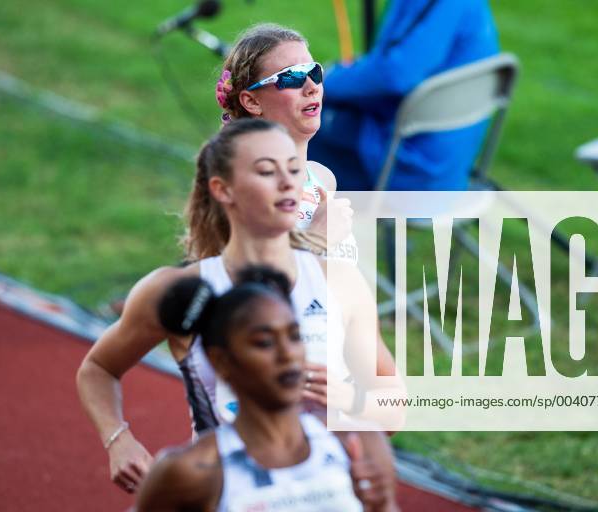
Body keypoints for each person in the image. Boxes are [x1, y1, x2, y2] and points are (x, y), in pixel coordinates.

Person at [76, 119, 399, 494]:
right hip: (229, 493)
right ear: (222, 189)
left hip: (326, 493)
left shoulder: (338, 281)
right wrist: (118, 439)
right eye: (266, 171)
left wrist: (350, 399)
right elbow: (98, 368)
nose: (286, 182)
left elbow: (394, 407)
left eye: (293, 169)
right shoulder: (183, 291)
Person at [134, 266, 395, 511]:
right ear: (221, 361)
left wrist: (379, 507)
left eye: (294, 336)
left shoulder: (359, 442)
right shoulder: (191, 471)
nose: (288, 355)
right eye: (264, 342)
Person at [308, 0, 500, 191]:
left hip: (411, 172)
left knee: (297, 122)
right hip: (450, 170)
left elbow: (396, 75)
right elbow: (391, 66)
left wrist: (327, 83)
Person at [215, 23, 352, 248]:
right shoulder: (245, 188)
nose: (312, 87)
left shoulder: (322, 179)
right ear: (252, 101)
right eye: (293, 77)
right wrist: (317, 239)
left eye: (313, 72)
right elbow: (248, 278)